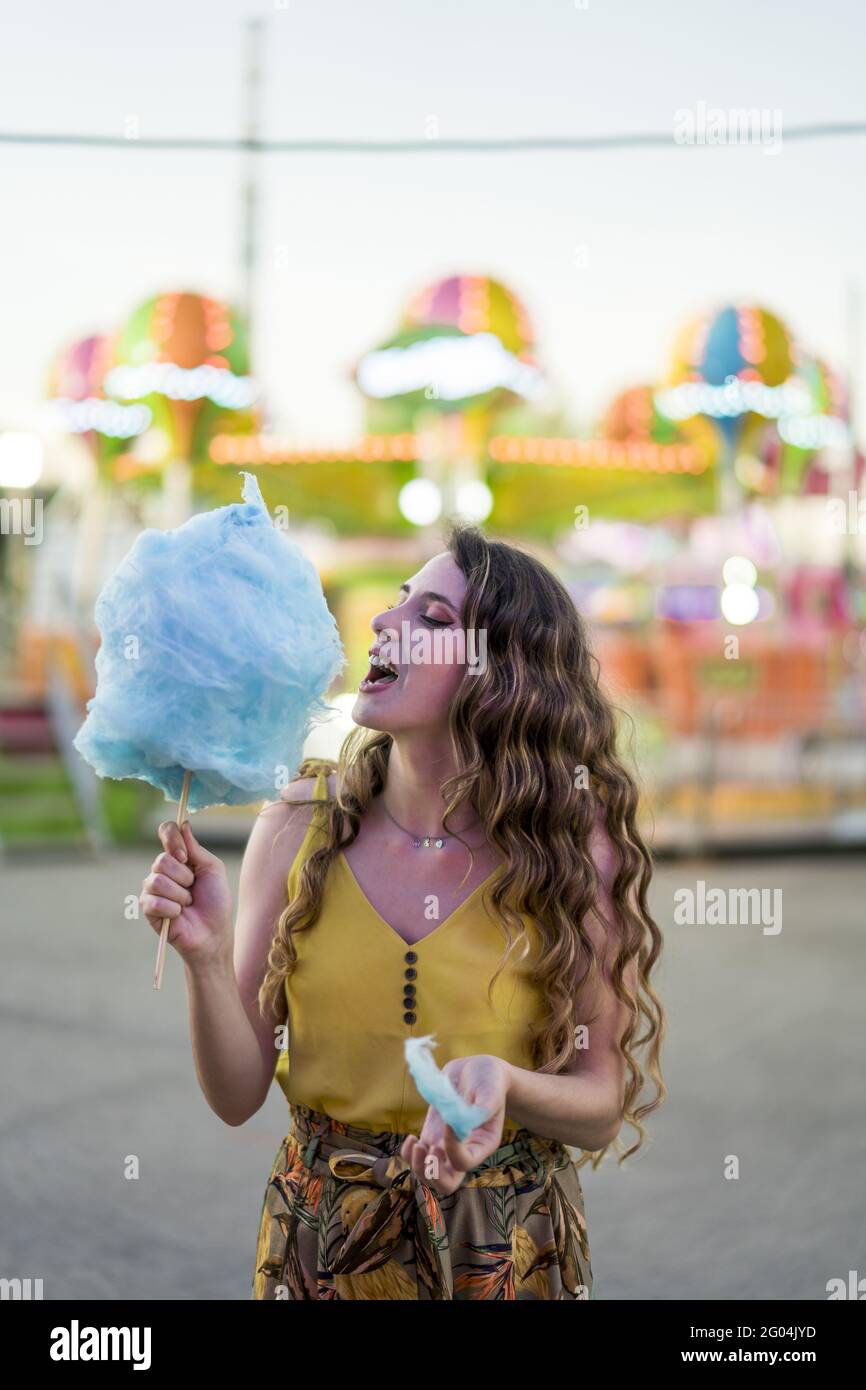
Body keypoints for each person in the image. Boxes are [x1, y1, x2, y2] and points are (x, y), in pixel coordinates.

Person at [139, 522, 666, 1300]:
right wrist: (206, 955)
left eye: (434, 619)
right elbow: (236, 1092)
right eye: (397, 605)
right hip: (325, 1242)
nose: (389, 623)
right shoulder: (296, 824)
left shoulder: (572, 847)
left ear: (502, 672)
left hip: (503, 1246)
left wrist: (506, 1085)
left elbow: (599, 1106)